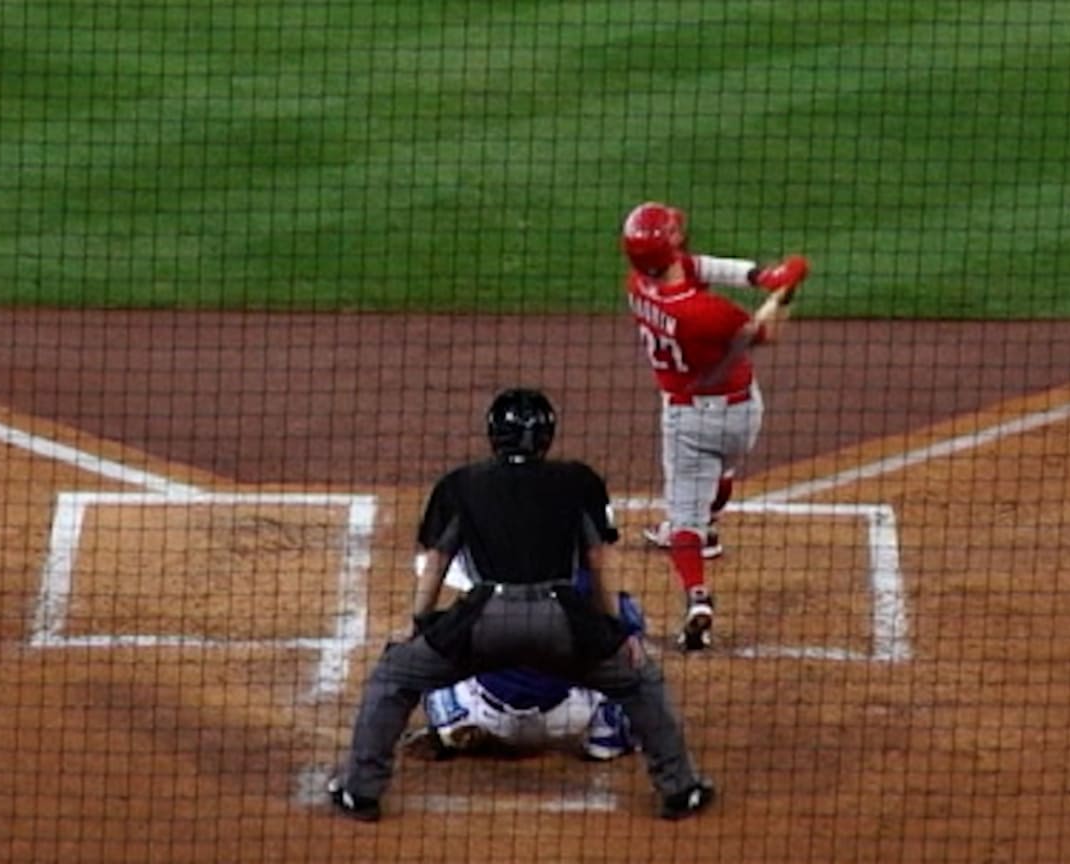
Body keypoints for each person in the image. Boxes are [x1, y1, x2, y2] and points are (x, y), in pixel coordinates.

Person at [327, 388, 714, 822]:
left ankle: (360, 792)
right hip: (561, 620)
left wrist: (420, 626)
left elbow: (436, 560)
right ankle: (681, 790)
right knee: (640, 683)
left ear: (493, 434)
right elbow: (599, 559)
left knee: (393, 676)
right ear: (548, 436)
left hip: (484, 619)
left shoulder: (460, 484)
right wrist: (613, 631)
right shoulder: (579, 480)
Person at [620, 201, 809, 652]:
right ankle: (711, 515)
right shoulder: (709, 312)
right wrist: (786, 289)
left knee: (685, 519)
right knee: (722, 469)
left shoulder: (638, 287)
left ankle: (698, 598)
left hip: (688, 418)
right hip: (743, 416)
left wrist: (764, 276)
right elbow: (768, 335)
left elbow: (694, 265)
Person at [407, 571, 647, 762]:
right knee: (620, 648)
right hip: (566, 716)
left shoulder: (487, 574)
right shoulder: (583, 579)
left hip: (489, 711)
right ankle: (605, 735)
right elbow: (624, 631)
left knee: (436, 660)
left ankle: (451, 721)